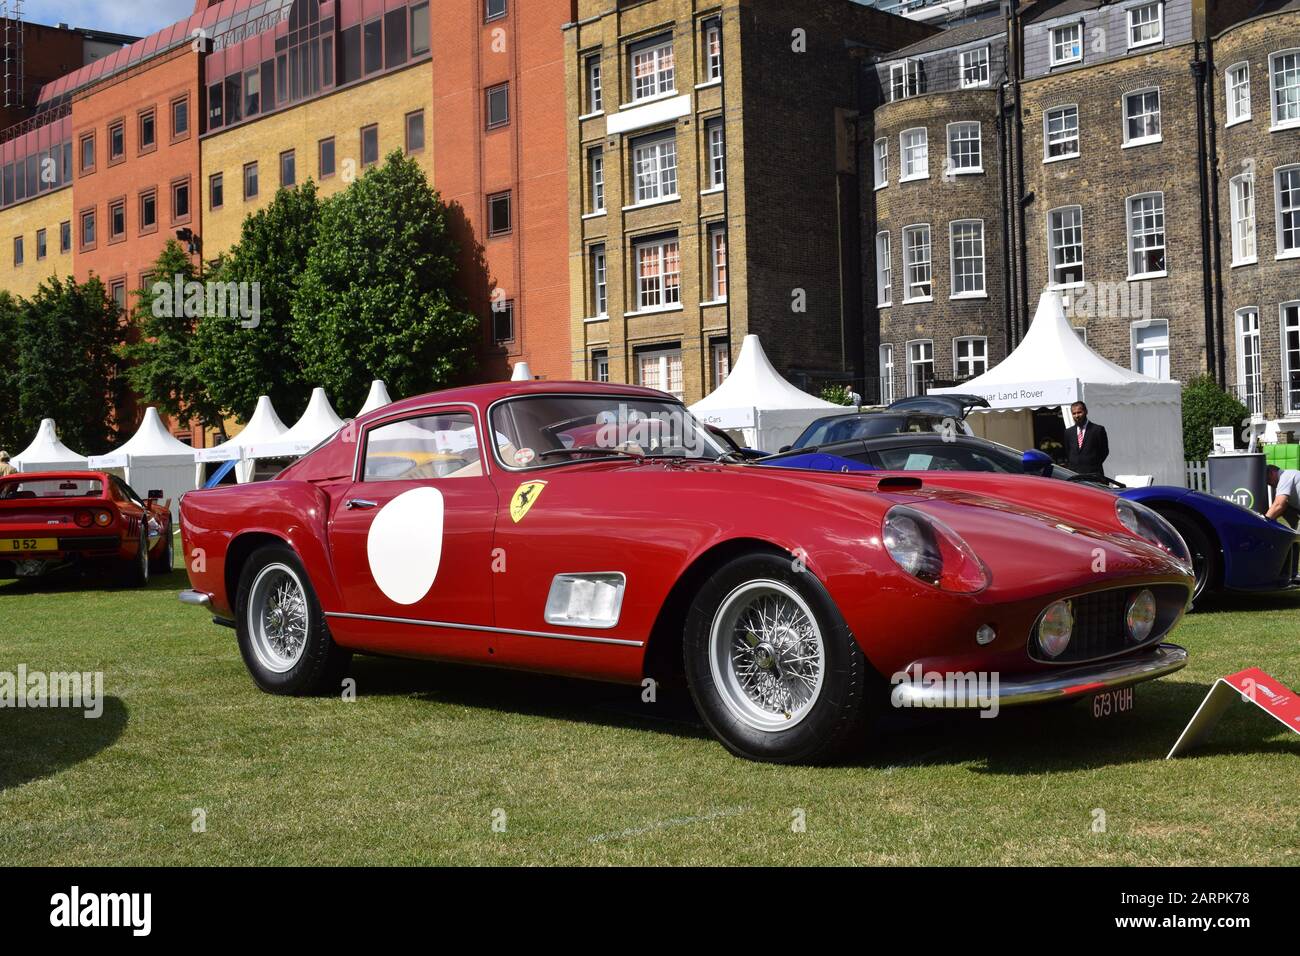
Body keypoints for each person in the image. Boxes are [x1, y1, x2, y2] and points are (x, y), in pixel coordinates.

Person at [1064, 401, 1109, 478]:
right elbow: (1068, 452)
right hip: (1074, 476)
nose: (1077, 415)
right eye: (1074, 413)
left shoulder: (1098, 430)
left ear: (1086, 411)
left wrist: (1092, 465)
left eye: (1079, 412)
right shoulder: (1068, 432)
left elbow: (1104, 451)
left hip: (1094, 475)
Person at [1265, 464, 1300, 528]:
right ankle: (1295, 530)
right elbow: (1283, 506)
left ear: (1272, 473)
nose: (1268, 484)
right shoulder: (1287, 475)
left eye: (1268, 480)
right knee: (1284, 509)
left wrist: (1263, 523)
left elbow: (1278, 504)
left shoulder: (1284, 477)